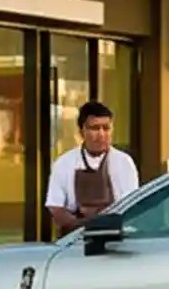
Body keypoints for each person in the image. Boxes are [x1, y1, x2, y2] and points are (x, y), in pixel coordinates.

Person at [44, 101, 139, 237]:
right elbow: (56, 208)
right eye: (94, 128)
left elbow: (132, 207)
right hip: (75, 237)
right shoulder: (64, 163)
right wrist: (83, 227)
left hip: (114, 236)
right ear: (82, 131)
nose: (101, 134)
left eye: (106, 128)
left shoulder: (123, 163)